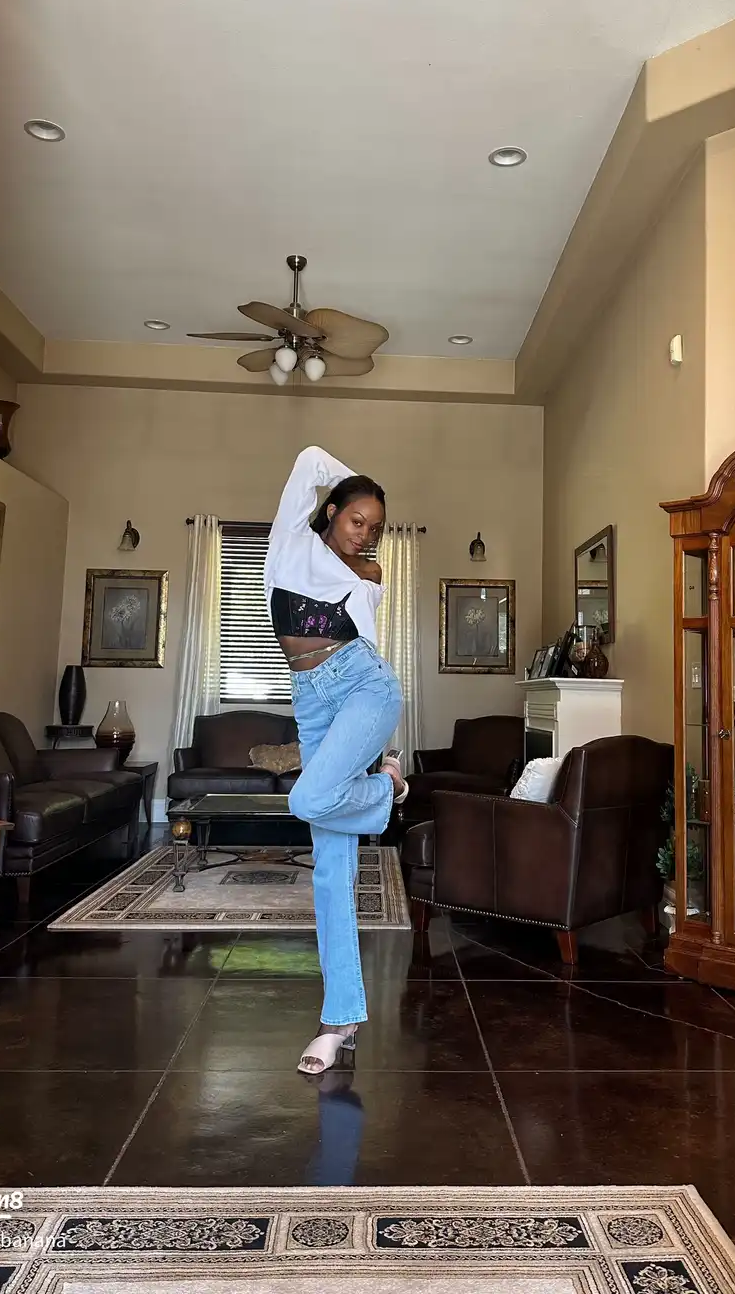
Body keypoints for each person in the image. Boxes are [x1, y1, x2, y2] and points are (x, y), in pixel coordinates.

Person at [265, 445, 407, 1077]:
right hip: (310, 698)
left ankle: (386, 790)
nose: (365, 532)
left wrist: (376, 752)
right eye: (357, 519)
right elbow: (308, 457)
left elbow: (368, 653)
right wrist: (354, 476)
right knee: (330, 872)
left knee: (305, 799)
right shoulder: (293, 542)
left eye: (374, 527)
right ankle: (339, 1019)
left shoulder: (365, 577)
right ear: (331, 512)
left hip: (362, 687)